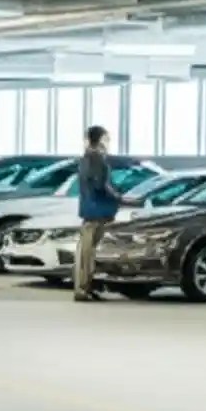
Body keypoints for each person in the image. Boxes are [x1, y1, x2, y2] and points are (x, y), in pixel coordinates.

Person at [74, 125, 121, 301]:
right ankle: (82, 288)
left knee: (88, 251)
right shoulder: (95, 159)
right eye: (106, 138)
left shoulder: (87, 158)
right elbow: (100, 185)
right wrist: (118, 197)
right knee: (87, 252)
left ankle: (86, 286)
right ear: (100, 139)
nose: (108, 142)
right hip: (95, 211)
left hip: (90, 209)